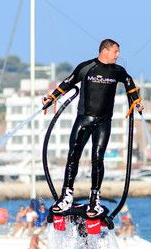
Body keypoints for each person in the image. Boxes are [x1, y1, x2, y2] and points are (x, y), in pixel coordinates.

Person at [42, 39, 143, 217]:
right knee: (73, 155)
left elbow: (130, 85)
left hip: (104, 122)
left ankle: (94, 199)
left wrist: (137, 102)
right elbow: (67, 82)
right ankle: (66, 197)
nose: (118, 55)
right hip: (83, 120)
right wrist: (51, 98)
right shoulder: (86, 67)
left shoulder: (118, 71)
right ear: (105, 50)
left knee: (98, 158)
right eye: (116, 51)